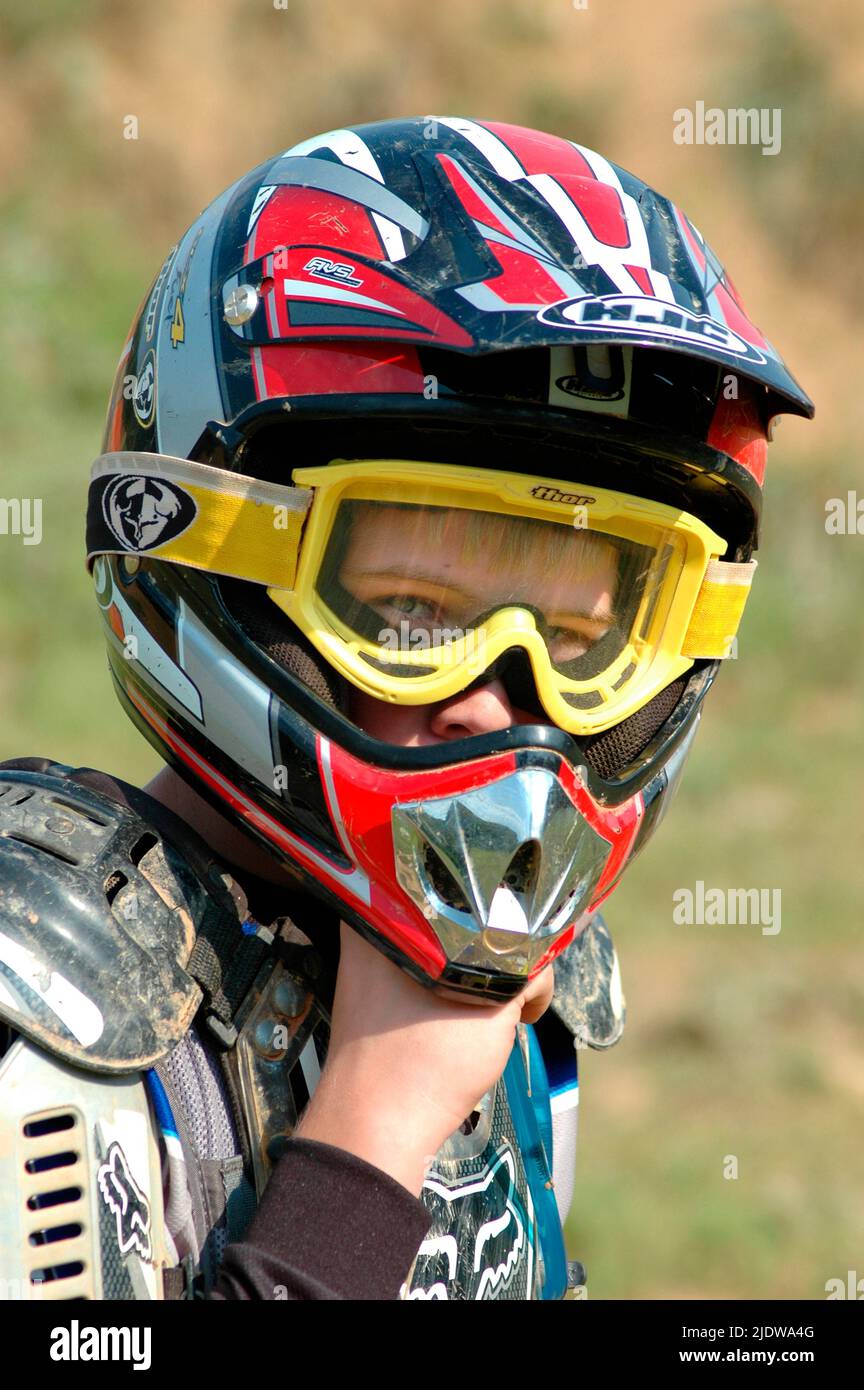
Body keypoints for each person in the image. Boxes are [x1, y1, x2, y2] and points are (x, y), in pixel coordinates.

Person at [0, 116, 813, 1302]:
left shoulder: (524, 1011)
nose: (501, 705)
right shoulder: (47, 997)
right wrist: (372, 1141)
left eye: (580, 635)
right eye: (417, 611)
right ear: (214, 553)